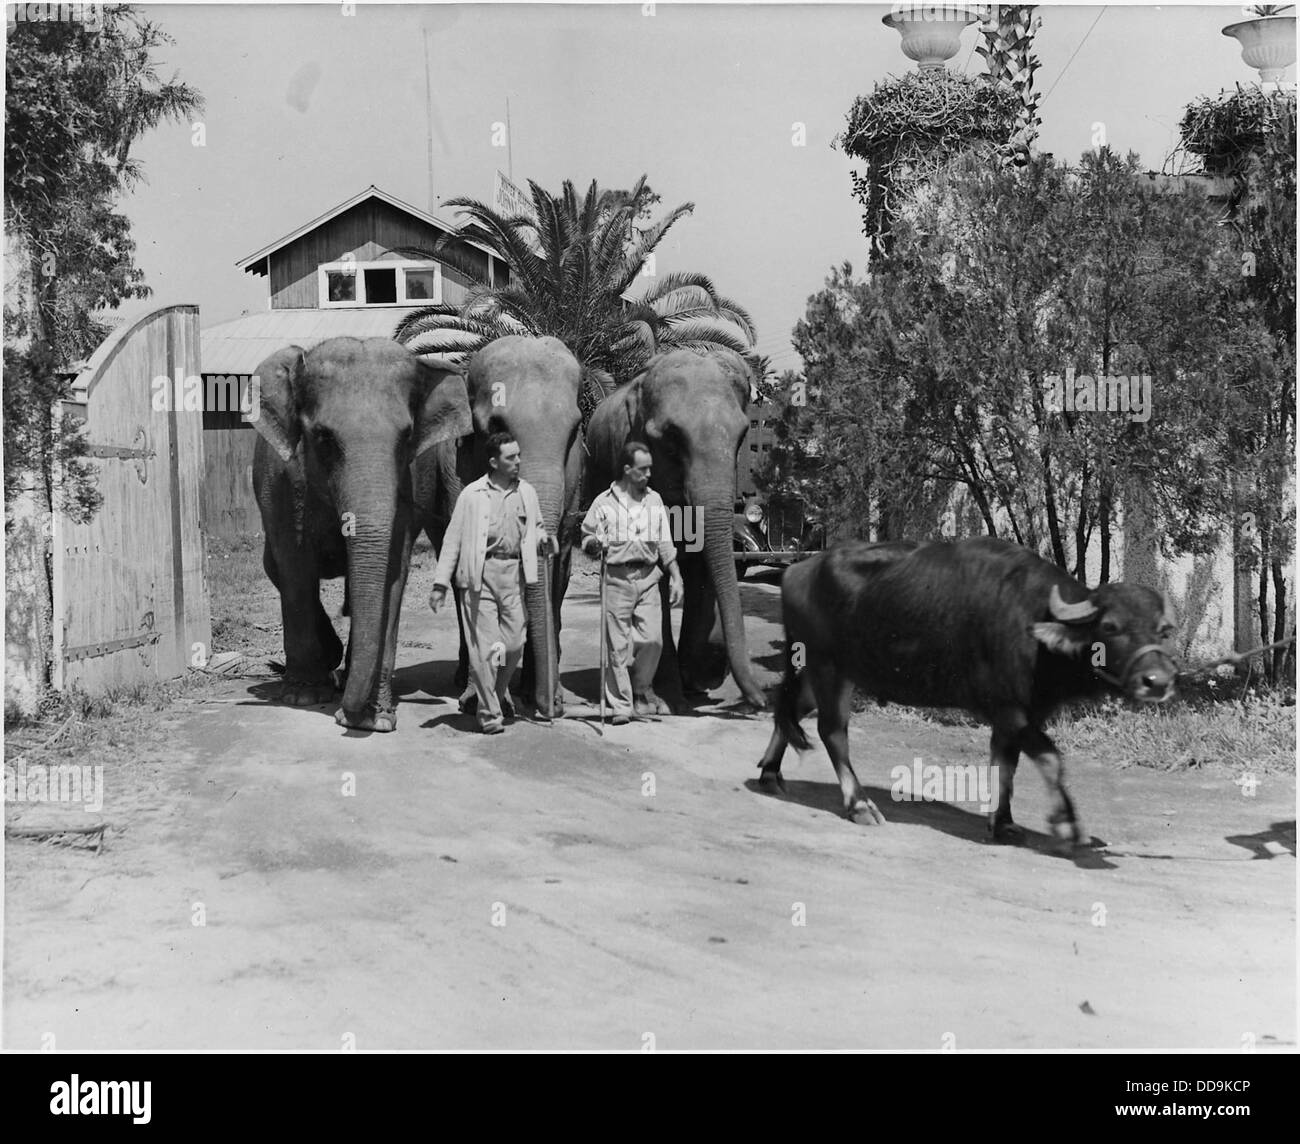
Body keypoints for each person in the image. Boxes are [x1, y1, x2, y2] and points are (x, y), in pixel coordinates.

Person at [431, 432, 556, 734]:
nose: (518, 461)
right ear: (493, 461)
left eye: (518, 455)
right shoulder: (471, 495)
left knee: (514, 644)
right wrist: (440, 583)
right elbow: (452, 541)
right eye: (511, 457)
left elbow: (536, 527)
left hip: (514, 575)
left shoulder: (527, 492)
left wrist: (544, 541)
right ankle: (489, 714)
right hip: (479, 576)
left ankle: (495, 697)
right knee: (487, 649)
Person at [580, 441, 684, 724]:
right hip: (616, 578)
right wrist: (594, 544)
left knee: (653, 639)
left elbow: (664, 542)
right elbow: (587, 536)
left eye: (650, 468)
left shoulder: (655, 500)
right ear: (627, 470)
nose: (649, 473)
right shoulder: (603, 503)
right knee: (616, 646)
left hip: (650, 577)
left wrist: (676, 575)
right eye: (643, 469)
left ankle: (640, 688)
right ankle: (622, 705)